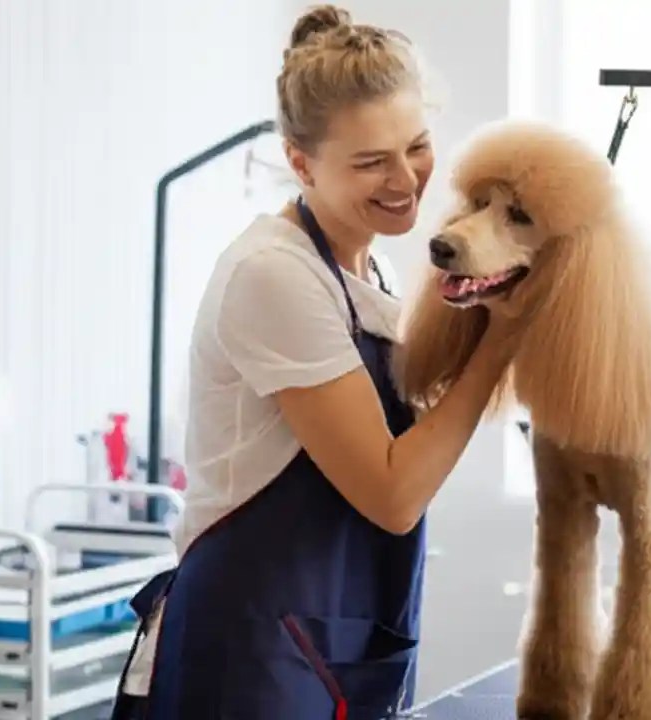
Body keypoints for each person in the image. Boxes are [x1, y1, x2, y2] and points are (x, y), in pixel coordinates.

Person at [109, 5, 515, 719]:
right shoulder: (275, 276)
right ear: (300, 162)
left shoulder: (374, 275)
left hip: (332, 643)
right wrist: (503, 341)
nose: (406, 179)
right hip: (248, 653)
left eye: (416, 146)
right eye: (370, 162)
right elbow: (393, 494)